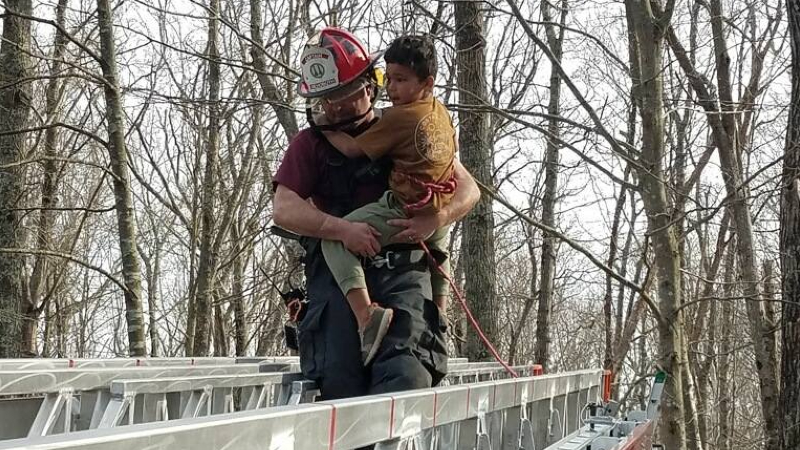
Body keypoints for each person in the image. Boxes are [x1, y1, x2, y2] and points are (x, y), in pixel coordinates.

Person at [272, 27, 480, 400]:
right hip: (338, 280)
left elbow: (467, 188)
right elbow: (284, 207)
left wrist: (436, 218)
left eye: (342, 95)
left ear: (370, 86)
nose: (334, 107)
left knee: (407, 377)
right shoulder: (311, 144)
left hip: (403, 270)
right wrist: (339, 230)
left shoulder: (403, 127)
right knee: (338, 384)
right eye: (325, 99)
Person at [319, 35, 456, 365]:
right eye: (388, 78)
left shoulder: (399, 118)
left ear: (427, 82)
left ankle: (367, 316)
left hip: (403, 207)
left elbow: (353, 149)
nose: (392, 88)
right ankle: (441, 315)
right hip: (438, 208)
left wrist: (324, 127)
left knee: (335, 239)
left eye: (401, 80)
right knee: (439, 254)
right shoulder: (439, 112)